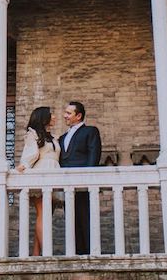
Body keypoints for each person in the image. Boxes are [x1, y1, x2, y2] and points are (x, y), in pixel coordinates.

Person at [59, 101, 101, 255]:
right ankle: (76, 253)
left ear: (78, 116)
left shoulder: (90, 131)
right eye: (65, 112)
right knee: (71, 220)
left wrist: (88, 179)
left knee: (86, 218)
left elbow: (93, 155)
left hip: (84, 183)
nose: (65, 116)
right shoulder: (62, 137)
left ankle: (90, 253)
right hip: (66, 185)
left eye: (69, 113)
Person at [16, 106, 59, 255]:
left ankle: (35, 253)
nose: (54, 117)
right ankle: (47, 252)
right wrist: (24, 165)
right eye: (51, 114)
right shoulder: (32, 134)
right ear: (43, 117)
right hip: (41, 174)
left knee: (46, 216)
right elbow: (31, 152)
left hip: (54, 174)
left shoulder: (51, 137)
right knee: (43, 214)